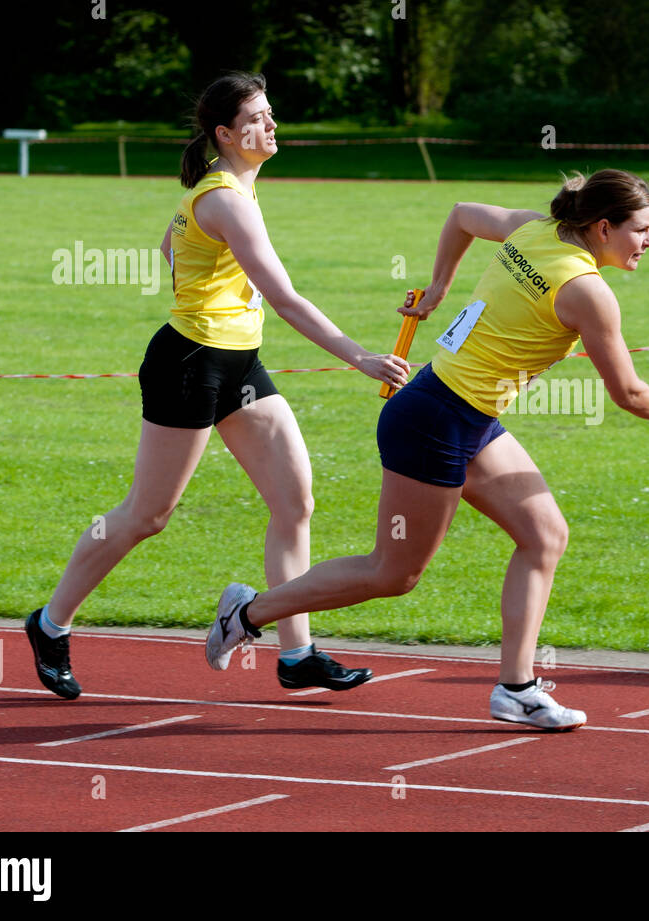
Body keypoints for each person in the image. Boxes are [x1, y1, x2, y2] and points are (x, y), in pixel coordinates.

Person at [204, 168, 649, 731]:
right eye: (641, 230)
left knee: (545, 536)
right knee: (393, 573)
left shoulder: (534, 229)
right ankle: (247, 613)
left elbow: (463, 214)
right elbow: (629, 394)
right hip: (434, 420)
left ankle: (516, 689)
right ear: (603, 226)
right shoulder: (588, 292)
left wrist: (440, 285)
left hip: (464, 415)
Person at [26, 72, 410, 699]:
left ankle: (297, 654)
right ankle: (49, 624)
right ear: (225, 134)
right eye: (257, 118)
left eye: (270, 113)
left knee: (294, 502)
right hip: (191, 363)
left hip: (238, 363)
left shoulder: (230, 192)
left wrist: (213, 296)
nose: (271, 124)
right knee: (147, 514)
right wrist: (360, 357)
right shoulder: (226, 197)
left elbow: (168, 248)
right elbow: (285, 297)